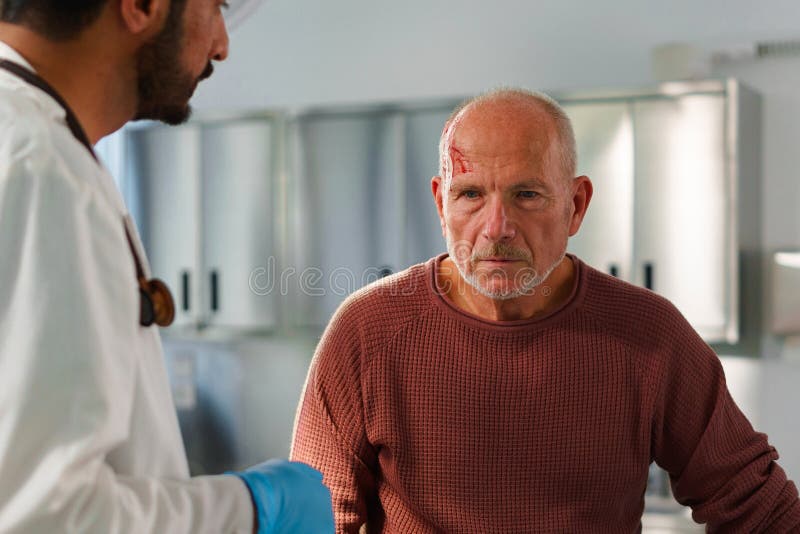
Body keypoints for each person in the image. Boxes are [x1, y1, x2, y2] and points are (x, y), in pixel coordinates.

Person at [290, 87, 800, 532]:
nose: (496, 228)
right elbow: (311, 520)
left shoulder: (649, 335)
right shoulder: (366, 332)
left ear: (576, 205)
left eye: (526, 194)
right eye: (470, 194)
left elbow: (758, 509)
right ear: (441, 203)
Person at [0, 1, 333, 532]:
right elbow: (44, 517)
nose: (222, 44)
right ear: (143, 6)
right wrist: (251, 510)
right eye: (217, 6)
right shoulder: (43, 169)